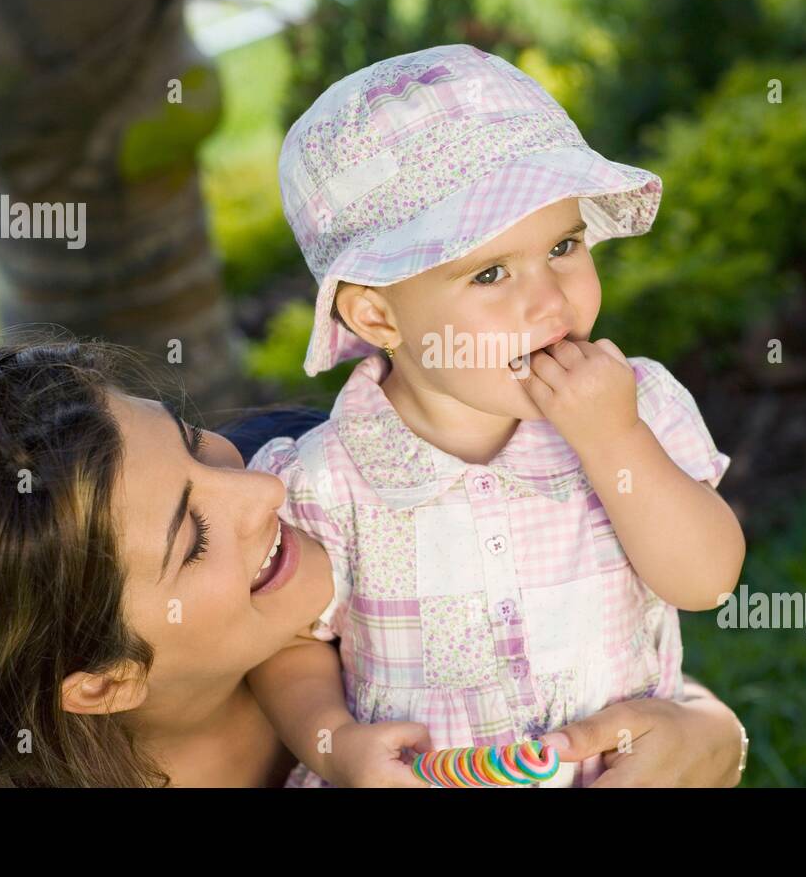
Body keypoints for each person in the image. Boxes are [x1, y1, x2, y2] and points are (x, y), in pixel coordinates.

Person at [0, 338, 747, 786]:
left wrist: (709, 738)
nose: (261, 492)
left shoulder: (331, 477)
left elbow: (597, 618)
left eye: (195, 440)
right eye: (192, 541)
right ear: (104, 682)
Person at [248, 44, 748, 787]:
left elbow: (705, 582)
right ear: (379, 314)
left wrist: (614, 441)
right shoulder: (324, 483)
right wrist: (332, 741)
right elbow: (289, 644)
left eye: (564, 246)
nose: (550, 301)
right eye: (489, 274)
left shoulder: (635, 407)